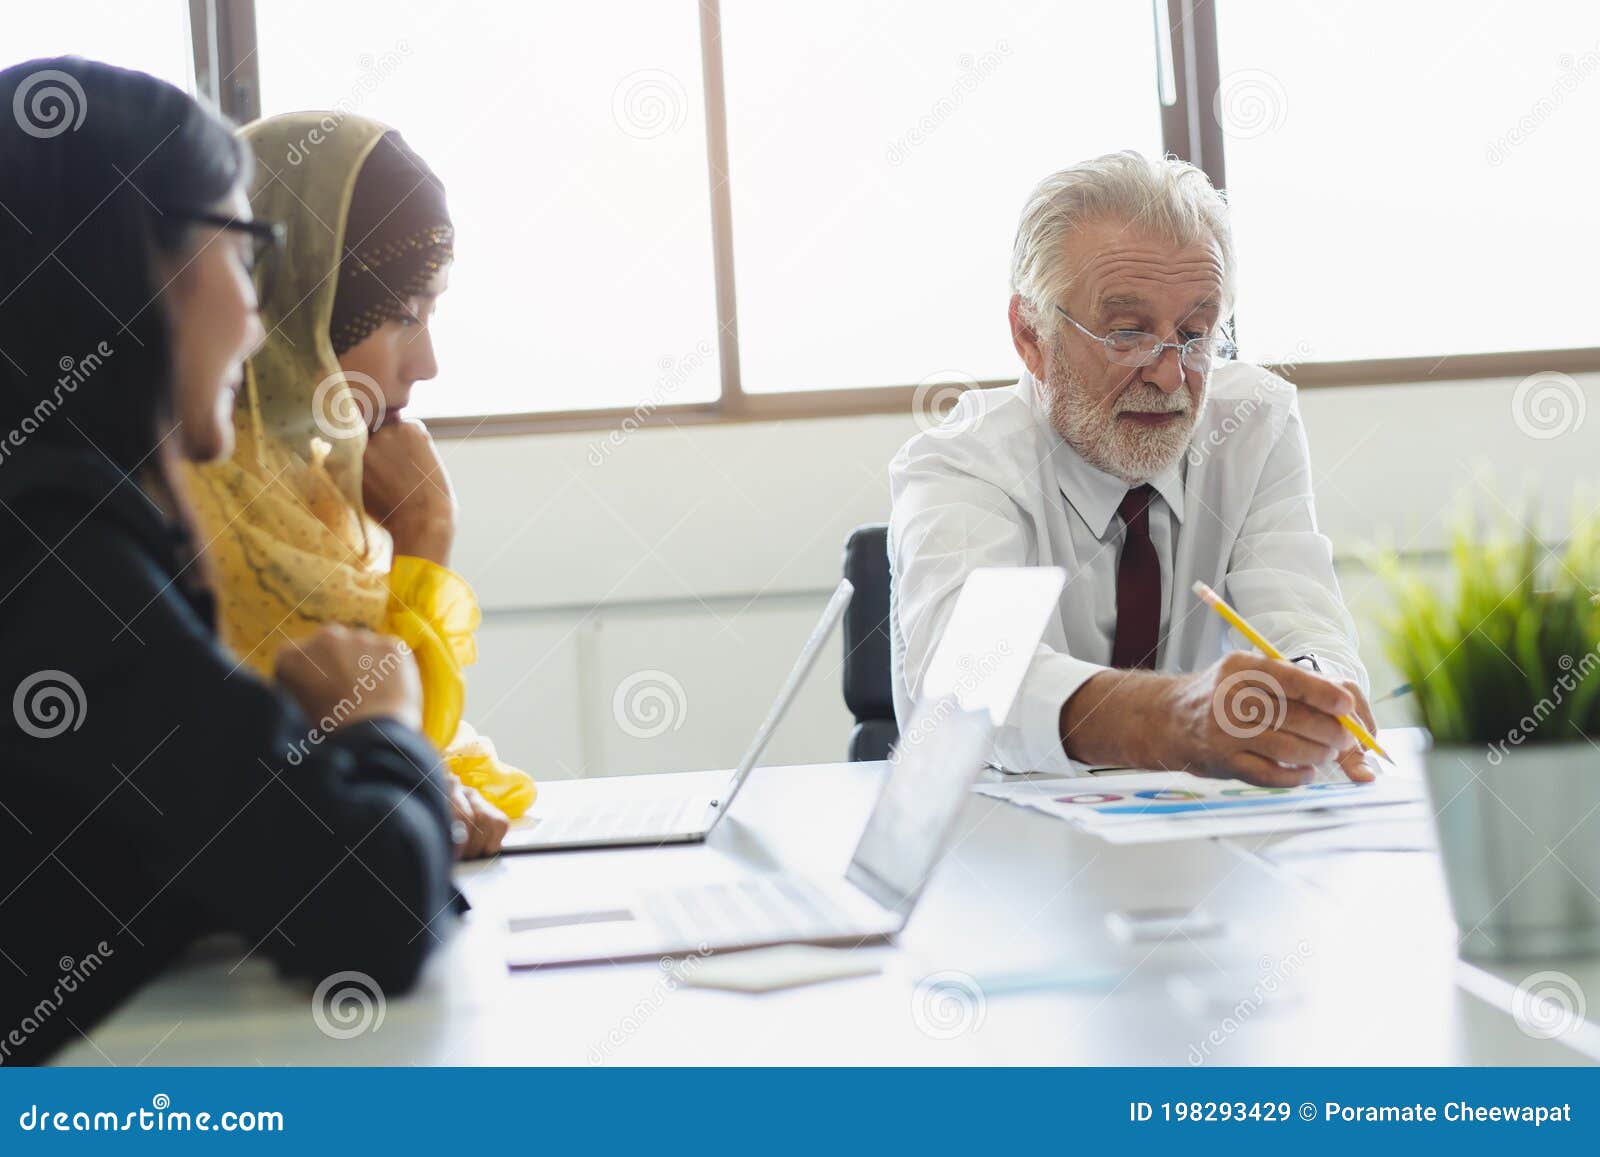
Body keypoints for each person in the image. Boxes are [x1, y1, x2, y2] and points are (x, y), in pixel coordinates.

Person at [0, 59, 455, 1065]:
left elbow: (245, 834)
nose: (258, 315)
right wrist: (386, 725)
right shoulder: (63, 558)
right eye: (243, 252)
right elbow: (368, 904)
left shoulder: (72, 522)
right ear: (137, 264)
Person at [889, 151, 1379, 786]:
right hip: (1007, 855)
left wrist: (1312, 693)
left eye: (1196, 334)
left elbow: (1301, 619)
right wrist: (1175, 720)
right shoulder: (960, 464)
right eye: (1127, 333)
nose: (1170, 374)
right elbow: (970, 686)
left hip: (1201, 846)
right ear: (1030, 336)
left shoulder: (1253, 425)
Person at [184, 113, 535, 860]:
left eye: (432, 313)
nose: (428, 363)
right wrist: (426, 531)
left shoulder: (310, 493)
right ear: (298, 308)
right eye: (404, 315)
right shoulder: (209, 509)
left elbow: (405, 756)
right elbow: (369, 783)